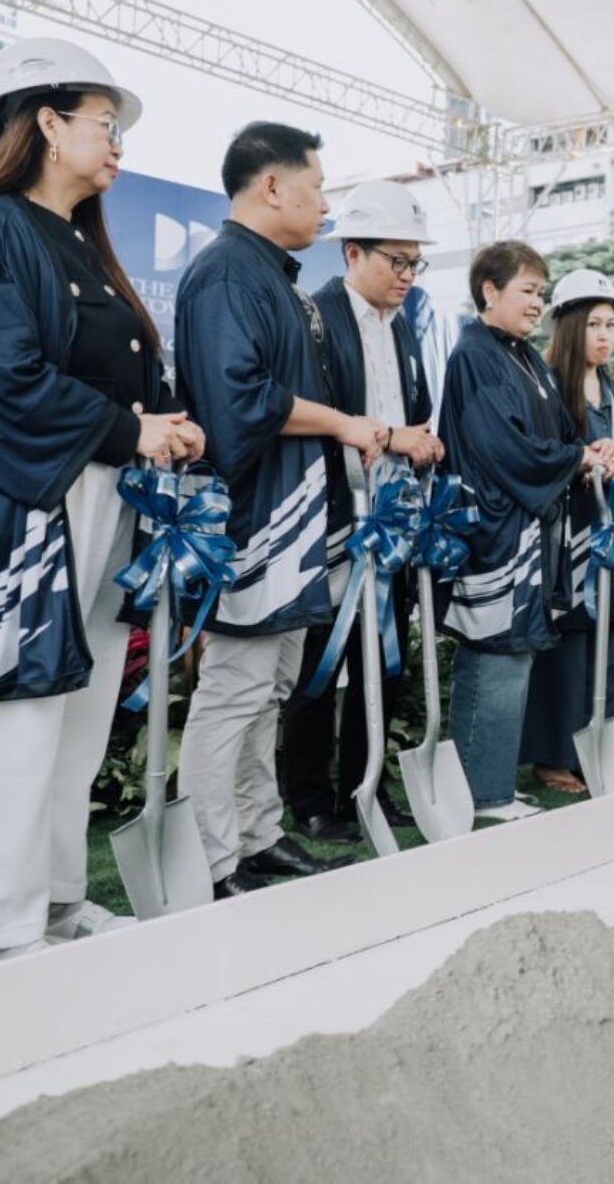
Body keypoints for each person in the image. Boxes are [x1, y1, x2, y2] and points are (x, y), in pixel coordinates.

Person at [0, 38, 200, 965]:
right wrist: (129, 430)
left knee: (80, 710)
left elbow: (96, 379)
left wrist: (161, 425)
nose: (119, 142)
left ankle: (57, 902)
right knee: (14, 717)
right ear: (49, 124)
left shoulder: (76, 242)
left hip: (94, 498)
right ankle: (3, 934)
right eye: (105, 122)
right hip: (24, 504)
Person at [173, 124, 384, 895]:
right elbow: (238, 403)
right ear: (272, 185)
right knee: (234, 689)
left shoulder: (274, 277)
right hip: (253, 522)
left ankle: (258, 837)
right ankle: (211, 857)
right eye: (319, 186)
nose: (326, 203)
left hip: (293, 523)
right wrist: (342, 423)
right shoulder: (229, 275)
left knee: (267, 689)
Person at [438, 243, 614, 821]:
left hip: (527, 533)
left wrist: (584, 451)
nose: (537, 304)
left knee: (514, 656)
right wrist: (577, 461)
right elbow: (505, 446)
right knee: (494, 656)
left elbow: (551, 439)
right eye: (528, 291)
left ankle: (493, 786)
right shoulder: (476, 355)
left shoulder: (520, 356)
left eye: (541, 293)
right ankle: (484, 793)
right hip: (497, 535)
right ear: (489, 291)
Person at [280, 180, 442, 842]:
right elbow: (308, 413)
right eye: (394, 261)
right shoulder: (315, 317)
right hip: (333, 520)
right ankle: (311, 798)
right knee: (323, 661)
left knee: (385, 656)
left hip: (395, 518)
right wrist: (388, 435)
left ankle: (363, 780)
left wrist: (423, 439)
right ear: (352, 253)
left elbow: (417, 406)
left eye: (415, 263)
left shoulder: (404, 328)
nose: (407, 275)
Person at [523, 269, 614, 794]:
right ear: (568, 326)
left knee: (610, 634)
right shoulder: (548, 384)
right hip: (568, 533)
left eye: (611, 325)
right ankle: (553, 755)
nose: (604, 335)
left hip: (612, 535)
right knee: (570, 640)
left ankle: (596, 739)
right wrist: (587, 463)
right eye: (593, 324)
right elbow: (544, 456)